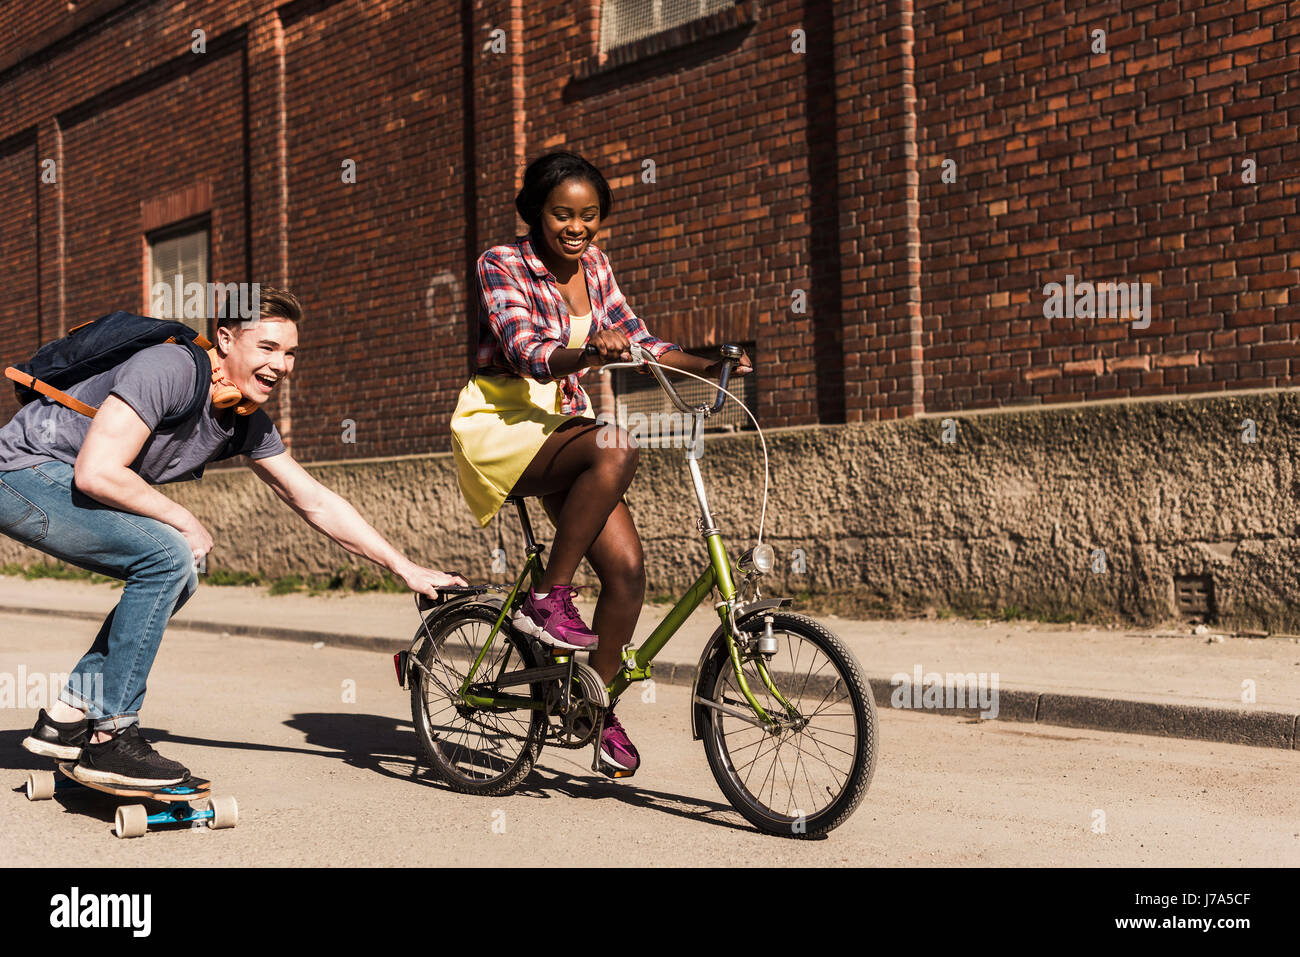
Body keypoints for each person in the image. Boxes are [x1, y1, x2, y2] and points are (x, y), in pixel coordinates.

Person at [3, 289, 465, 786]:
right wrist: (184, 518)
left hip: (54, 480)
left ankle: (69, 715)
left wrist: (406, 568)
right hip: (19, 473)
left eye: (290, 353)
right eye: (267, 347)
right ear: (225, 339)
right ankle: (111, 735)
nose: (282, 364)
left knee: (177, 573)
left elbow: (315, 500)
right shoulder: (171, 368)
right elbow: (97, 472)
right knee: (167, 556)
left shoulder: (243, 422)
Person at [451, 151, 752, 775]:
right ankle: (548, 595)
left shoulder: (596, 266)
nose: (577, 228)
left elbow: (639, 342)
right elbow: (525, 349)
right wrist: (586, 351)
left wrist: (710, 361)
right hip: (503, 421)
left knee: (627, 572)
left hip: (562, 424)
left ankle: (595, 707)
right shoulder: (500, 262)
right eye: (563, 214)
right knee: (618, 440)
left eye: (589, 216)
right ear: (535, 212)